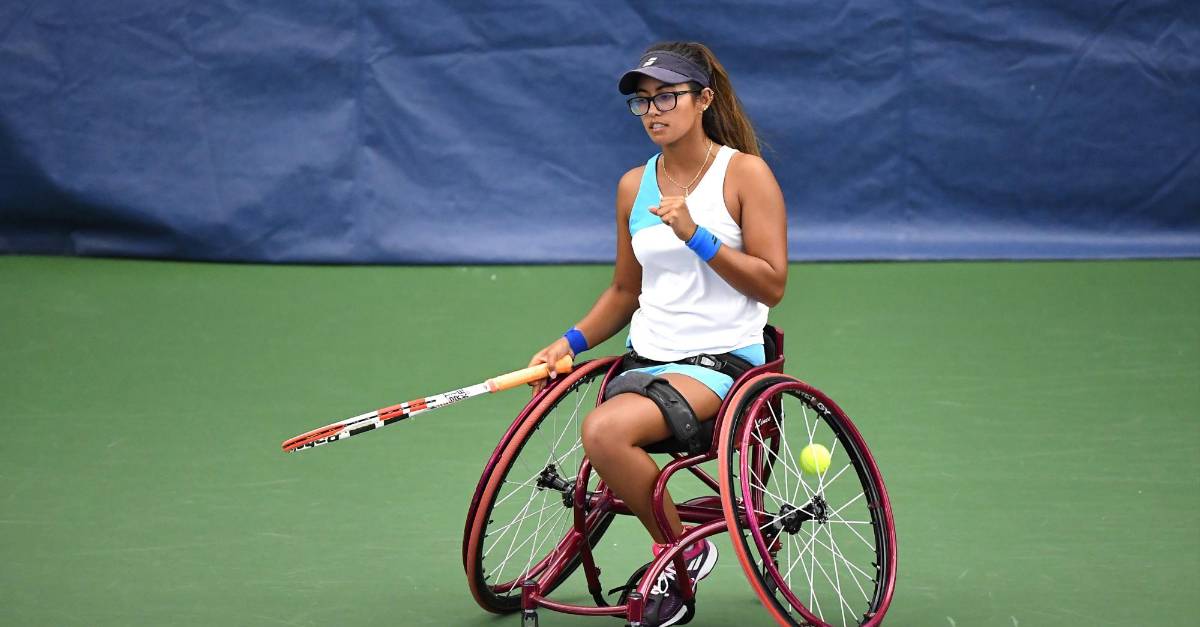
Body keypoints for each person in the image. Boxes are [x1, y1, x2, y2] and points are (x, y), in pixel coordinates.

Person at [528, 41, 787, 627]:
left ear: (704, 100)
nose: (653, 111)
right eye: (642, 102)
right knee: (607, 429)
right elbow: (625, 292)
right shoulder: (632, 187)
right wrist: (568, 343)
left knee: (604, 432)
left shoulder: (744, 174)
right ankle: (679, 543)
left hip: (723, 364)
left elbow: (771, 285)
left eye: (667, 96)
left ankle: (682, 551)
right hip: (645, 361)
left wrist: (697, 234)